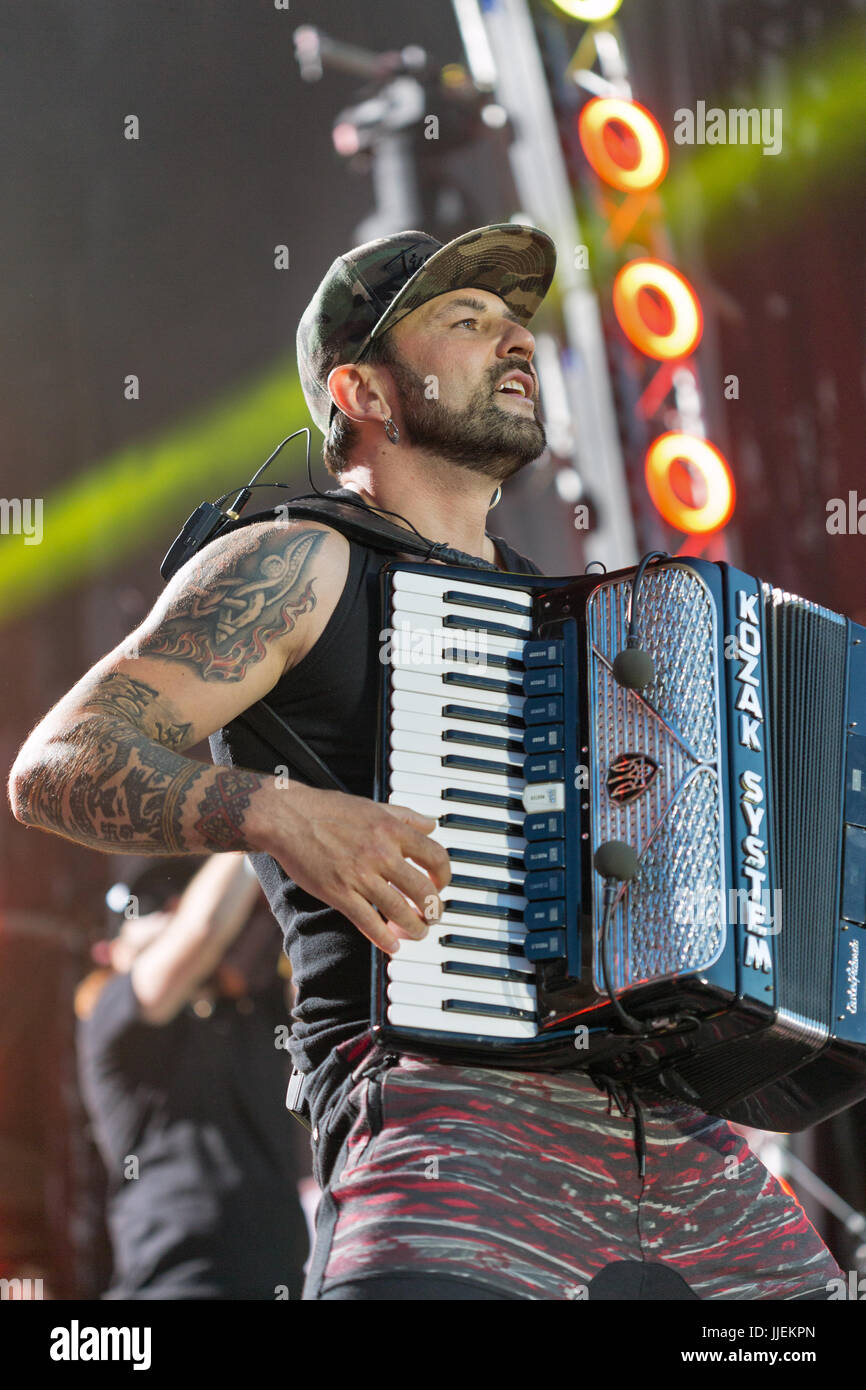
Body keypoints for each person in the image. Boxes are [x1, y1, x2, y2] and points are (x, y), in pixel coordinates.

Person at [8, 222, 843, 1301]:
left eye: (514, 323)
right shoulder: (299, 559)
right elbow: (57, 759)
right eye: (464, 319)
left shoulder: (579, 623)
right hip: (448, 1125)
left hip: (669, 1142)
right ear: (361, 389)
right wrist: (277, 810)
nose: (511, 343)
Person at [75, 852, 310, 1299]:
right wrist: (258, 822)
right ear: (109, 949)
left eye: (184, 891)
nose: (173, 905)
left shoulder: (260, 1012)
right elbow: (198, 932)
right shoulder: (109, 1012)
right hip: (174, 1287)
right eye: (148, 902)